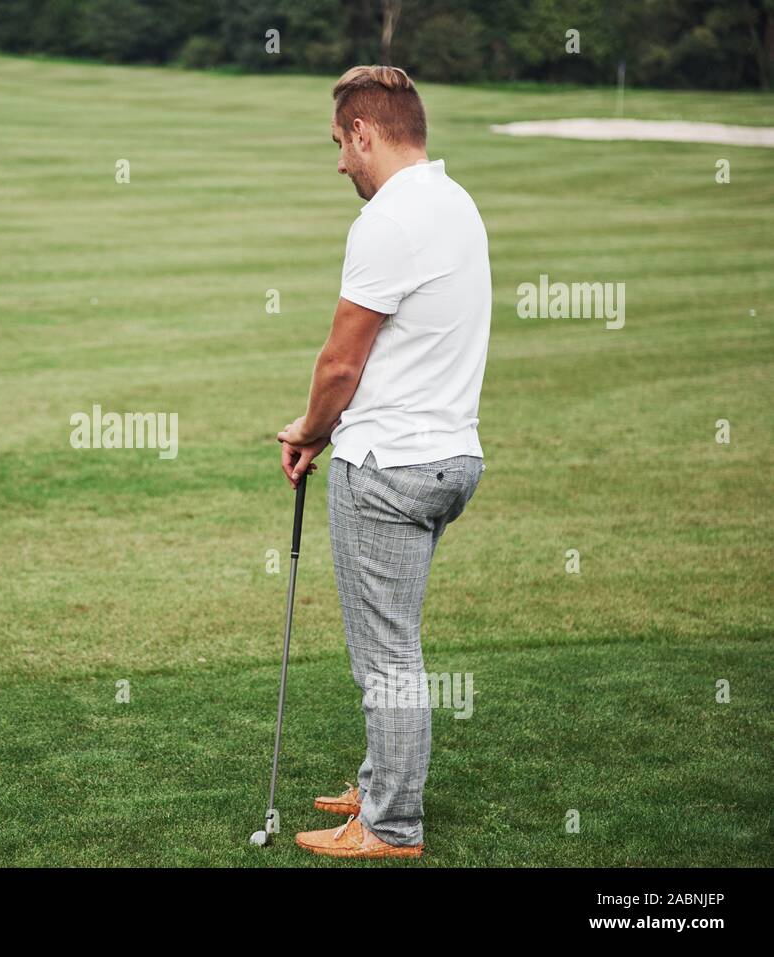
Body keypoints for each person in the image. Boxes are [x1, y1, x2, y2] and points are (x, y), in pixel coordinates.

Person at [277, 66, 491, 859]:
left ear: (365, 132)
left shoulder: (387, 221)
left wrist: (307, 429)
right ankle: (378, 782)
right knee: (393, 640)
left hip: (390, 468)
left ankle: (392, 825)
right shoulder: (456, 202)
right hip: (450, 461)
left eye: (340, 144)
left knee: (388, 656)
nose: (340, 163)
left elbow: (340, 365)